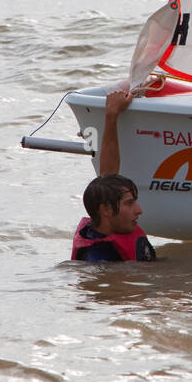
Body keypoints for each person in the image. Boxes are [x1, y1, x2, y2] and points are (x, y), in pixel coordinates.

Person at [71, 90, 157, 262]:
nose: (139, 210)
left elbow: (107, 177)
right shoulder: (100, 259)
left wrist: (112, 115)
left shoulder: (107, 217)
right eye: (129, 203)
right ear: (106, 210)